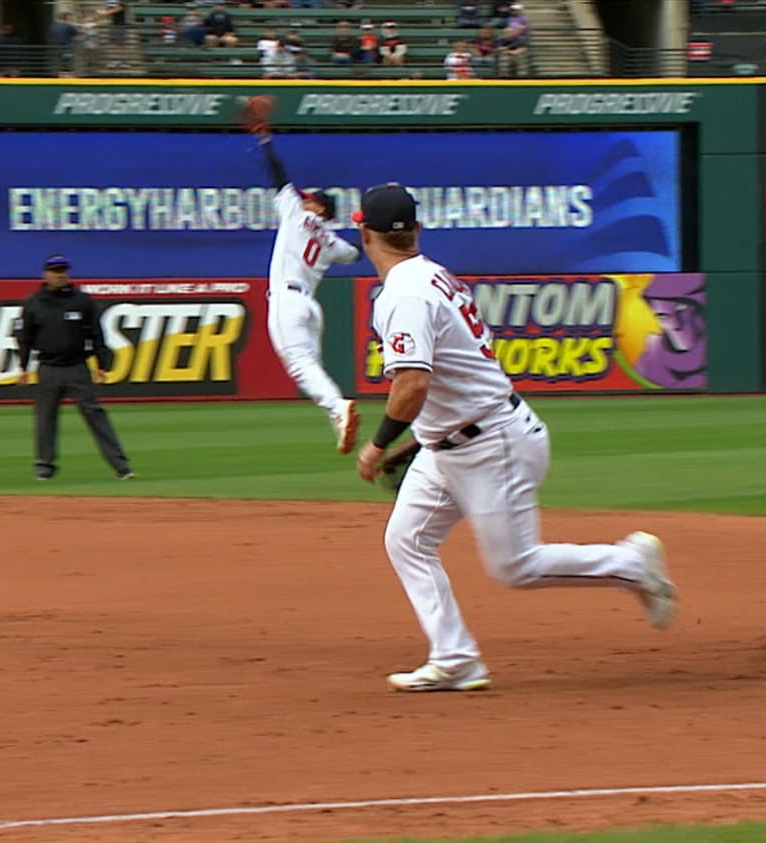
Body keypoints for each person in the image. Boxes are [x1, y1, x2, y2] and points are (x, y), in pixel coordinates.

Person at [351, 184, 678, 692]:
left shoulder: (404, 294)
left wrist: (377, 445)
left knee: (515, 567)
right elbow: (455, 374)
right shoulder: (431, 275)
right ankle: (455, 658)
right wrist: (419, 441)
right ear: (416, 230)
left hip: (490, 443)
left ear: (365, 234)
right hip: (454, 443)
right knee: (406, 540)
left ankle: (630, 564)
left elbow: (412, 383)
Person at [245, 110, 362, 453]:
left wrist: (264, 140)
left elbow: (279, 177)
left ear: (318, 208)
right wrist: (361, 224)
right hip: (310, 306)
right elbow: (355, 254)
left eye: (310, 199)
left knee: (300, 367)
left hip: (287, 301)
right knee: (312, 367)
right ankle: (338, 415)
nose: (305, 199)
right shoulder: (333, 242)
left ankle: (339, 408)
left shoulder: (296, 213)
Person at [14, 255, 134, 480]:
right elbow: (25, 337)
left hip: (77, 367)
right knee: (45, 418)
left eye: (63, 271)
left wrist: (101, 364)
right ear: (45, 275)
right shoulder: (33, 303)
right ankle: (45, 466)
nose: (60, 275)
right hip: (48, 367)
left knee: (95, 415)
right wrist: (23, 366)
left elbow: (96, 333)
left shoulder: (82, 301)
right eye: (55, 271)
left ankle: (121, 466)